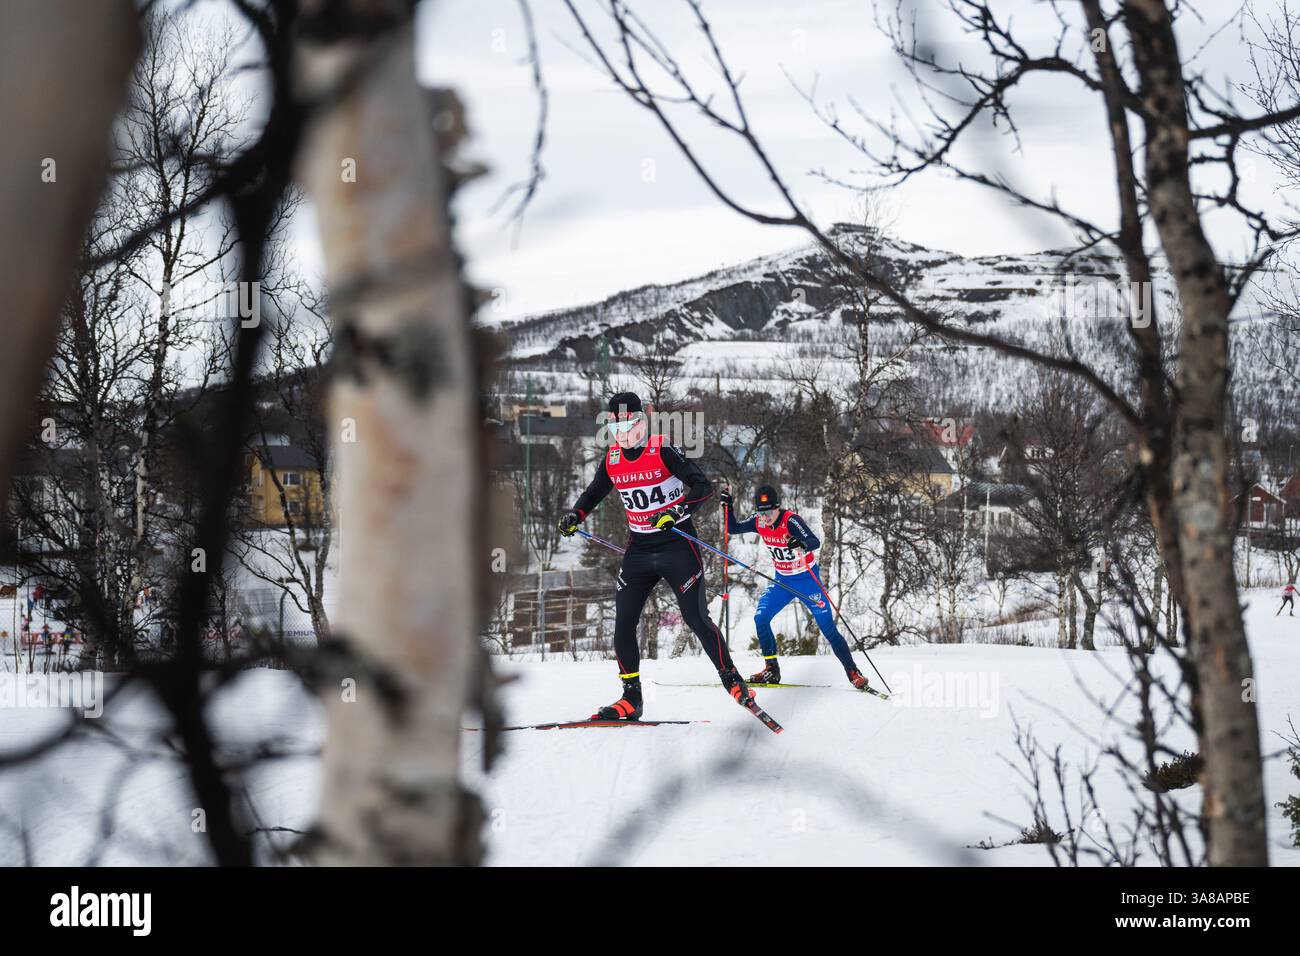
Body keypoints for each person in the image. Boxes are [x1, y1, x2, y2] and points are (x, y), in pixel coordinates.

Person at [557, 392, 754, 720]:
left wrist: (675, 511)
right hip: (640, 549)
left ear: (642, 422)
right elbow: (594, 493)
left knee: (695, 618)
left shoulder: (662, 448)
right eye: (615, 426)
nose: (622, 432)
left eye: (629, 424)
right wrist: (576, 515)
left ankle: (732, 680)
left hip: (678, 546)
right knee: (623, 623)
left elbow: (702, 486)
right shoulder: (613, 460)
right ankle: (631, 698)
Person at [721, 482, 871, 690]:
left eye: (769, 513)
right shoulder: (759, 522)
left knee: (827, 628)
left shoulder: (791, 520)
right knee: (760, 618)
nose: (765, 518)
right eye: (761, 513)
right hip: (782, 581)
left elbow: (814, 541)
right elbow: (734, 528)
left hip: (808, 581)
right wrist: (728, 507)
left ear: (777, 507)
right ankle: (771, 669)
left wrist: (800, 544)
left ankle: (853, 672)